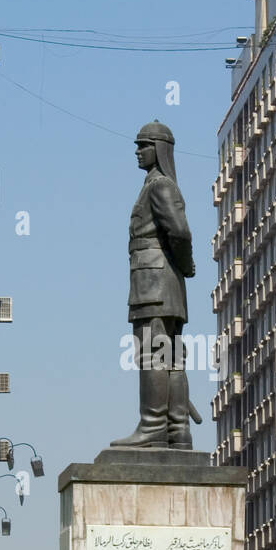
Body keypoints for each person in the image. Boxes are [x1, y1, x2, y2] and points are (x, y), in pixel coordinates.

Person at [111, 121, 199, 450]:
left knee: (152, 353)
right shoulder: (159, 184)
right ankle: (178, 429)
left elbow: (180, 232)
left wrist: (187, 265)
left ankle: (152, 426)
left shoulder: (160, 186)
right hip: (166, 284)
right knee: (171, 355)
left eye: (143, 145)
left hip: (154, 283)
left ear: (159, 150)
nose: (137, 151)